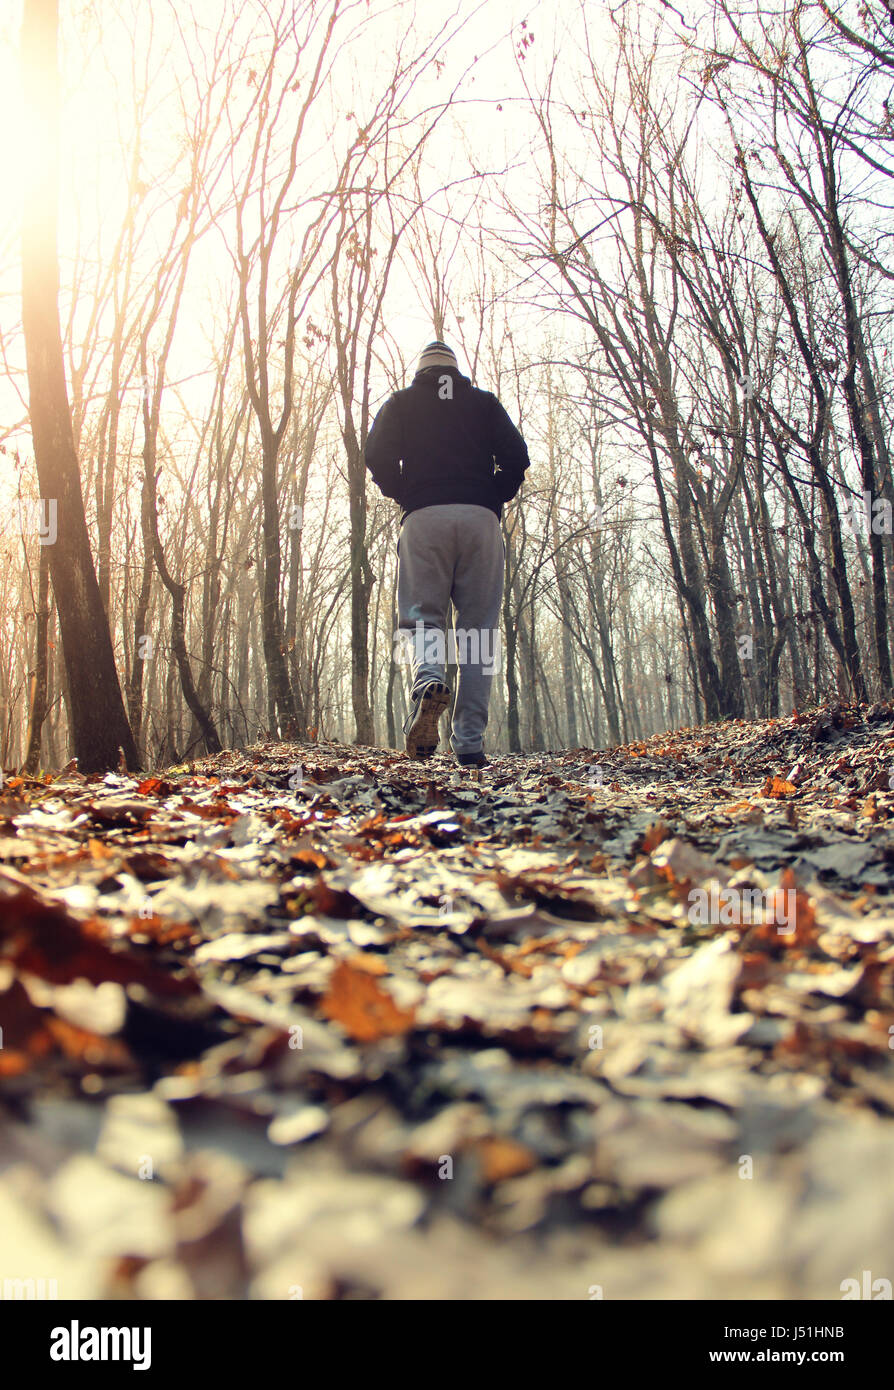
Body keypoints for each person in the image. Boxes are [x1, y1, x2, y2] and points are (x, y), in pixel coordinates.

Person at [365, 340, 530, 767]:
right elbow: (517, 456)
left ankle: (429, 679)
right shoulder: (484, 403)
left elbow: (376, 455)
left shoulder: (400, 403)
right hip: (480, 519)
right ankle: (470, 745)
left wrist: (404, 492)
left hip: (423, 518)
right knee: (477, 630)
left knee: (423, 616)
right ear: (455, 371)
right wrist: (493, 496)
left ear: (420, 370)